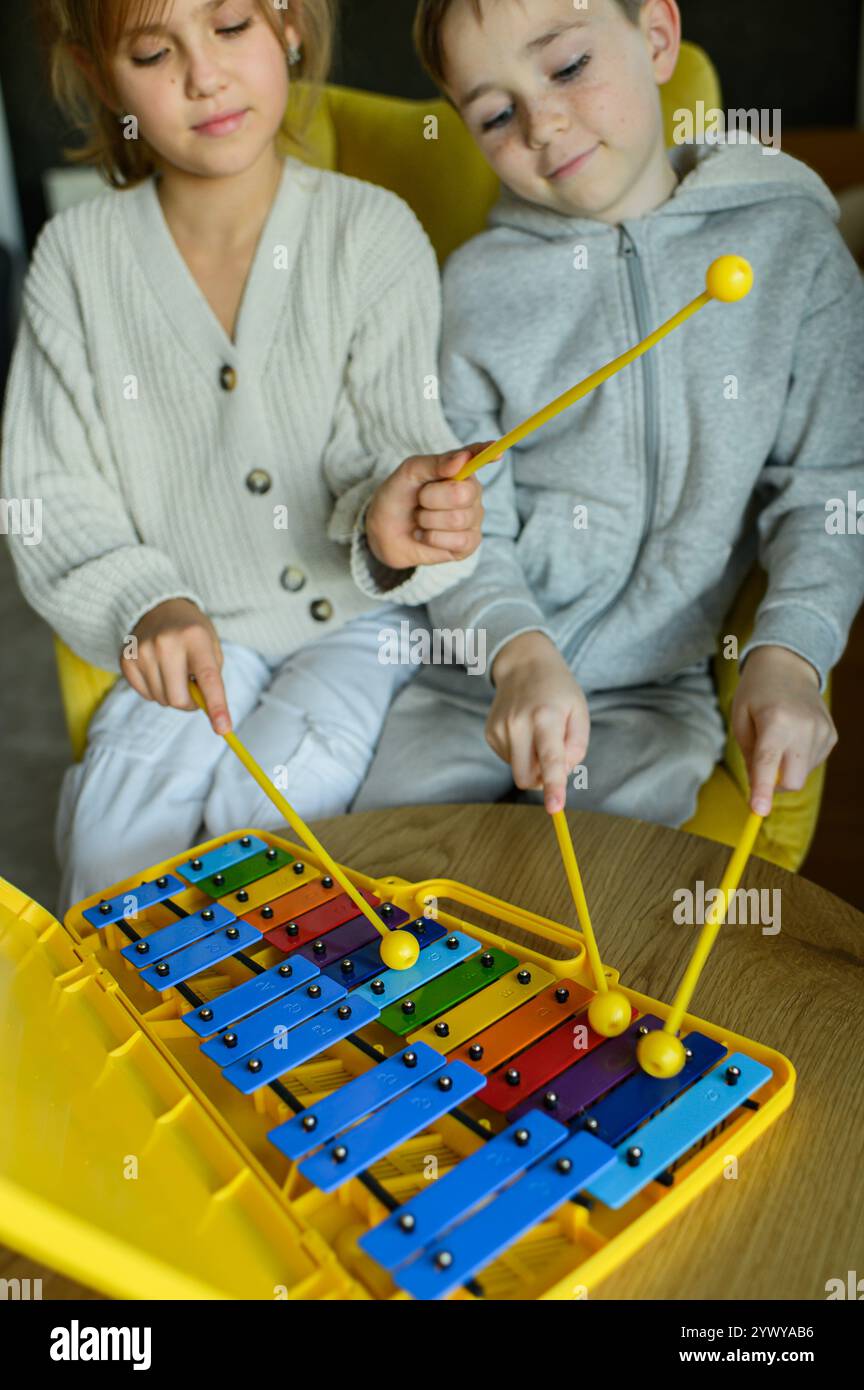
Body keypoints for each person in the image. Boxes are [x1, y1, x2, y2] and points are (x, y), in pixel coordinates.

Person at [0, 0, 486, 912]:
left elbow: (399, 451)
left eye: (231, 28)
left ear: (290, 26)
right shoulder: (75, 260)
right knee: (112, 842)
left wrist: (399, 521)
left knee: (262, 834)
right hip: (181, 632)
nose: (203, 75)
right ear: (101, 76)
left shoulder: (372, 235)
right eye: (153, 51)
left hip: (353, 626)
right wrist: (146, 602)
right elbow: (47, 495)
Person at [354, 0, 864, 829]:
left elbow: (831, 487)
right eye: (495, 113)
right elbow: (461, 520)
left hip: (653, 695)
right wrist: (515, 650)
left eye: (567, 67)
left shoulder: (794, 250)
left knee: (613, 918)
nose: (543, 123)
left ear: (657, 37)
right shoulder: (474, 290)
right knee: (383, 880)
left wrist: (789, 655)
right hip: (471, 678)